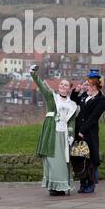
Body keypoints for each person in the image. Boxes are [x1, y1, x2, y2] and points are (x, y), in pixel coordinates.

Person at [30, 64, 77, 196]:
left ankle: (61, 186)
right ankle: (53, 186)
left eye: (66, 85)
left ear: (69, 89)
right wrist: (34, 74)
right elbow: (42, 86)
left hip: (64, 135)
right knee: (52, 159)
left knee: (63, 162)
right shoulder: (52, 97)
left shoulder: (72, 105)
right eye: (61, 84)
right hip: (52, 132)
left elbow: (72, 120)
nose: (62, 86)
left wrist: (71, 134)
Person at [71, 69, 105, 193]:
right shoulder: (85, 96)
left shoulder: (102, 100)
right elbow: (74, 102)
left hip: (90, 133)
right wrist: (75, 92)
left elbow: (93, 117)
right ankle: (82, 183)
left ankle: (91, 183)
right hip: (79, 130)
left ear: (95, 85)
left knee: (91, 157)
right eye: (86, 84)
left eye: (89, 84)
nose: (87, 87)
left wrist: (83, 130)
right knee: (80, 156)